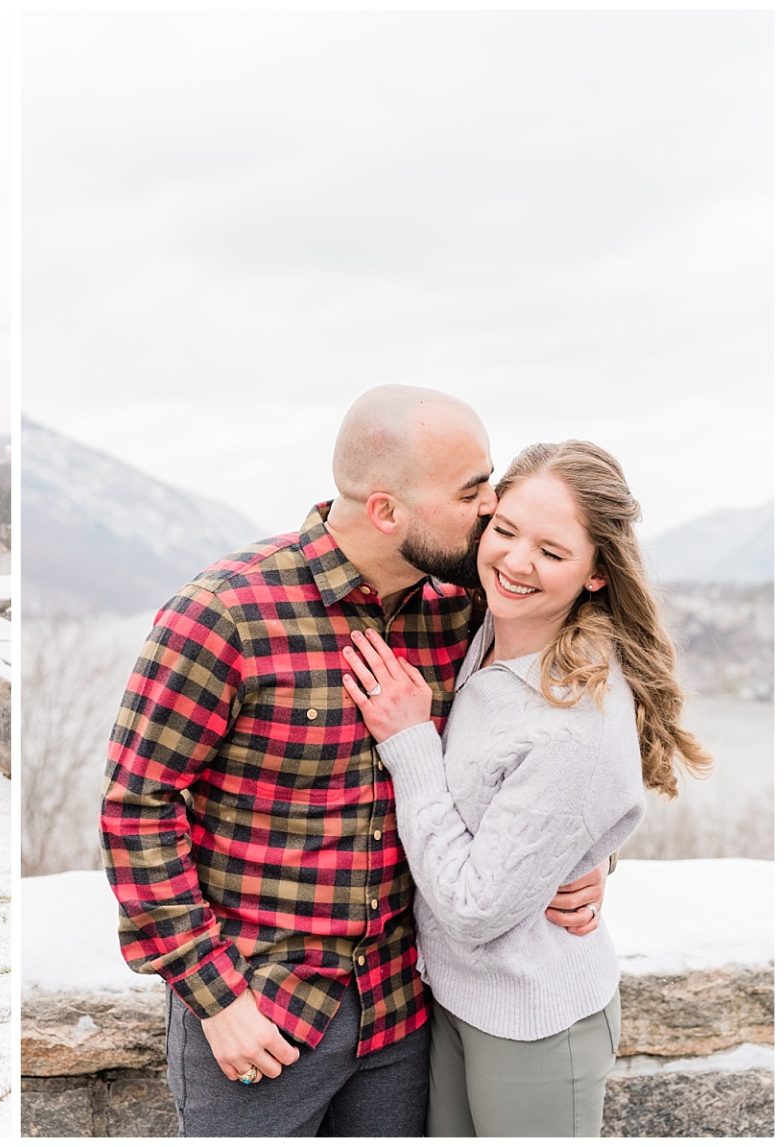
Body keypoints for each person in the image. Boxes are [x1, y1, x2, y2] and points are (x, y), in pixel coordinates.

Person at [100, 385, 607, 1137]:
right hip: (260, 1015)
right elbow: (137, 807)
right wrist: (217, 998)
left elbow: (560, 743)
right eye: (471, 490)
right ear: (387, 511)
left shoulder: (467, 610)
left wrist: (585, 855)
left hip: (403, 1014)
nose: (492, 506)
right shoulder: (225, 613)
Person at [341, 439, 710, 1136]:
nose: (515, 562)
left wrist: (409, 742)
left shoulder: (571, 720)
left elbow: (475, 908)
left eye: (551, 551)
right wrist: (581, 856)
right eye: (505, 531)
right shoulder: (489, 627)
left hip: (535, 1021)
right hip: (453, 996)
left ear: (596, 573)